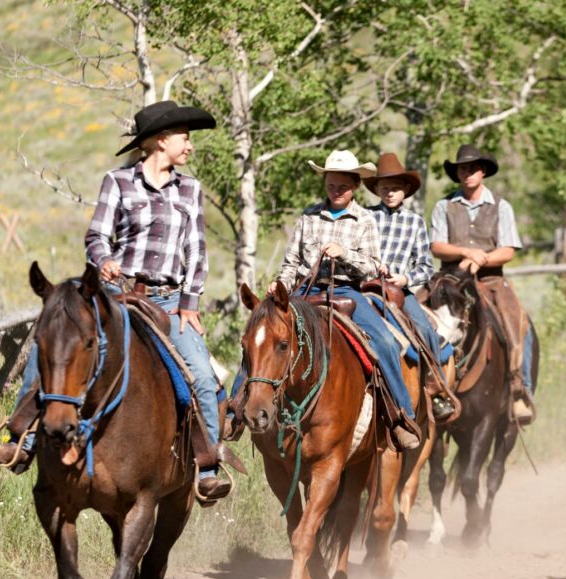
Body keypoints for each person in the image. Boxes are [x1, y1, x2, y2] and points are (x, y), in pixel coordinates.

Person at [0, 100, 232, 502]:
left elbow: (197, 252)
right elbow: (96, 235)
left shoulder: (190, 190)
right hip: (115, 294)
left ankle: (206, 467)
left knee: (202, 377)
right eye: (184, 139)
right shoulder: (118, 182)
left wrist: (190, 303)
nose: (190, 146)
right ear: (160, 141)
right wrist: (106, 261)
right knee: (51, 346)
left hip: (167, 301)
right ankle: (22, 441)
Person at [230, 149, 421, 450]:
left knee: (385, 342)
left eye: (343, 185)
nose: (336, 190)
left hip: (346, 292)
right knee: (261, 337)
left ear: (355, 185)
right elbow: (291, 261)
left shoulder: (365, 220)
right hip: (304, 292)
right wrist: (280, 283)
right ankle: (235, 412)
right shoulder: (308, 216)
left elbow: (373, 265)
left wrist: (345, 254)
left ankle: (401, 417)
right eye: (331, 184)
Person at [429, 143, 536, 424]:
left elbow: (508, 250)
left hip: (491, 281)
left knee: (518, 324)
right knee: (417, 317)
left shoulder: (501, 206)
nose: (467, 172)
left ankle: (518, 389)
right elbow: (437, 246)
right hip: (452, 280)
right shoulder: (444, 206)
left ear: (483, 171)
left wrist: (482, 259)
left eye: (473, 168)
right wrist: (465, 253)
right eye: (462, 168)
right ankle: (427, 389)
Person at [364, 152, 458, 423]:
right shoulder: (365, 217)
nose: (390, 192)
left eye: (395, 187)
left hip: (399, 292)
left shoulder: (415, 221)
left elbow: (426, 266)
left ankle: (436, 387)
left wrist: (405, 279)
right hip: (365, 286)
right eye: (384, 187)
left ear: (405, 189)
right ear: (377, 189)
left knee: (427, 328)